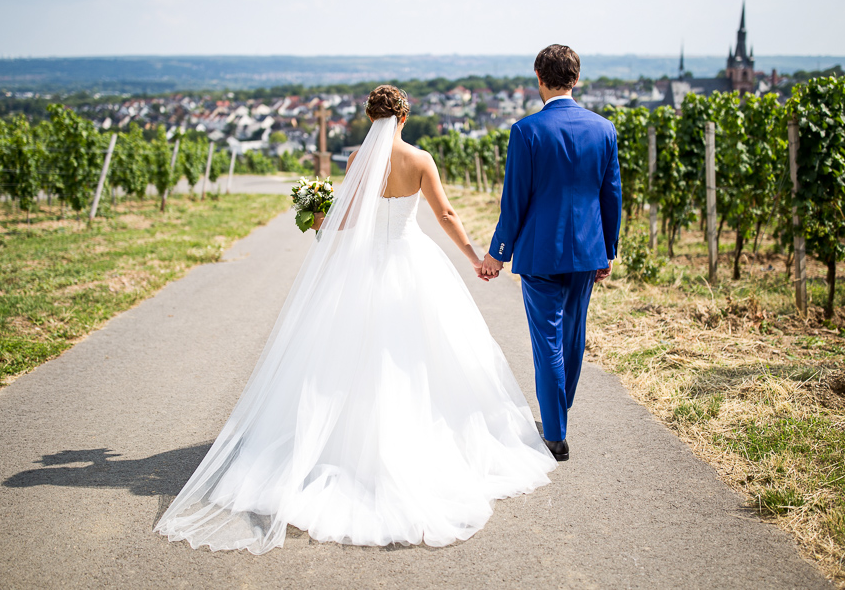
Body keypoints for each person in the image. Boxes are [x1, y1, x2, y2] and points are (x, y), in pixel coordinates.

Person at [156, 85, 556, 555]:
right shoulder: (420, 160)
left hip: (363, 266)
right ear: (403, 117)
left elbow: (347, 218)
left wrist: (316, 217)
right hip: (411, 262)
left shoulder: (356, 161)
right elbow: (445, 214)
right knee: (418, 355)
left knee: (350, 355)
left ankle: (345, 442)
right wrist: (474, 257)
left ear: (371, 119)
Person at [482, 45, 622, 462]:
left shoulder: (526, 131)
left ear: (539, 79)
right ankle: (560, 409)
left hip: (540, 252)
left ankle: (557, 433)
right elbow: (612, 196)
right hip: (587, 251)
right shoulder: (604, 129)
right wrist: (608, 250)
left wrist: (498, 253)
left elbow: (514, 202)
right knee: (573, 337)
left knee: (548, 343)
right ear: (575, 79)